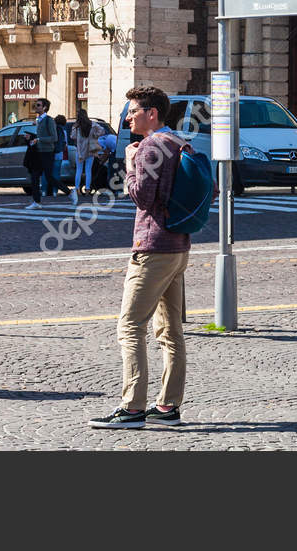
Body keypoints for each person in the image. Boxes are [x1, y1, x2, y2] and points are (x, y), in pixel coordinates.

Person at [90, 85, 190, 429]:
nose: (128, 117)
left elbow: (142, 197)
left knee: (130, 326)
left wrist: (131, 164)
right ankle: (167, 407)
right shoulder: (177, 142)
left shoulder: (149, 148)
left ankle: (132, 408)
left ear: (152, 114)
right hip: (178, 246)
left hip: (153, 247)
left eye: (133, 111)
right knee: (171, 330)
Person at [72, 109, 98, 199]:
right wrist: (94, 135)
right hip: (90, 150)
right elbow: (102, 131)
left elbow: (72, 136)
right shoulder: (92, 124)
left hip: (80, 151)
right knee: (88, 170)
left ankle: (77, 189)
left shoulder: (76, 126)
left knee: (79, 170)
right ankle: (87, 189)